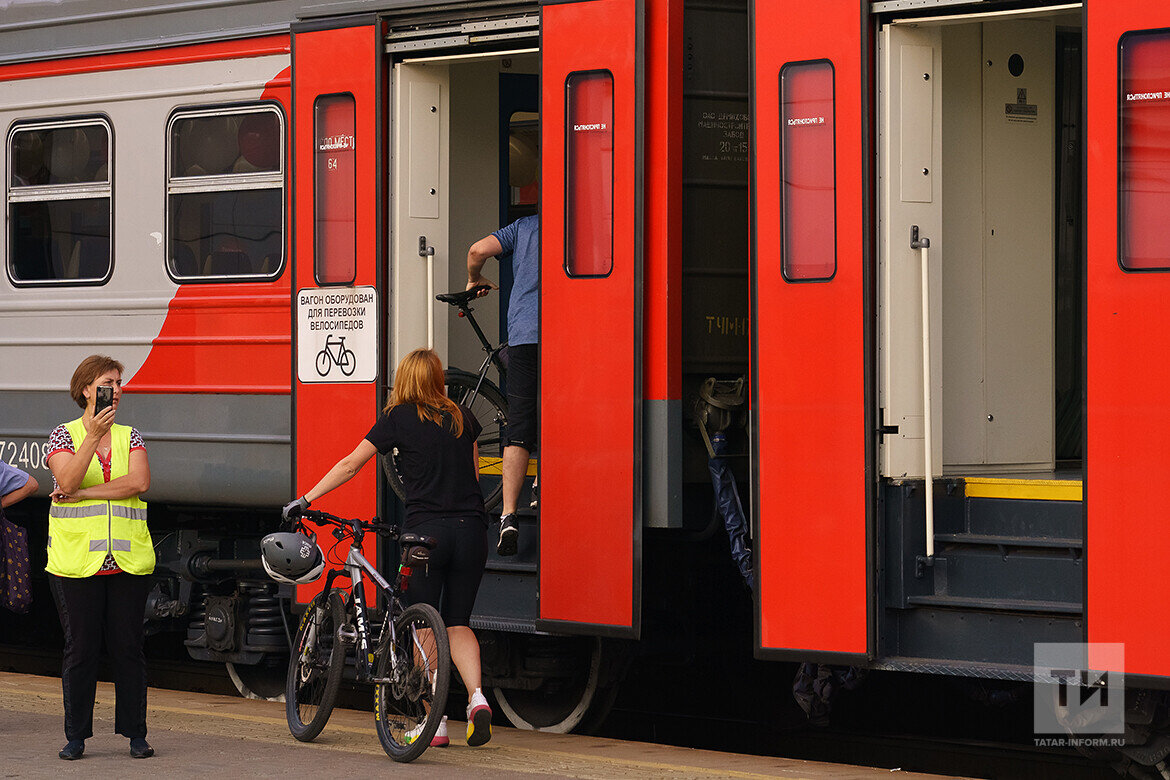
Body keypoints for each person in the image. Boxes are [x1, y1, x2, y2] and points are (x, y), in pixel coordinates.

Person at [282, 348, 493, 748]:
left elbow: (350, 465)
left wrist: (306, 499)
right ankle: (477, 699)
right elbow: (476, 470)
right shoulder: (462, 418)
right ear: (436, 380)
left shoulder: (398, 418)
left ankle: (434, 722)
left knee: (421, 624)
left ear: (405, 380)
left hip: (426, 536)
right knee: (458, 622)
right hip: (471, 533)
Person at [45, 355, 154, 761]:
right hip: (76, 563)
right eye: (109, 382)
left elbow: (138, 481)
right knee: (81, 650)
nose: (118, 389)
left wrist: (85, 494)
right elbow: (67, 478)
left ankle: (136, 734)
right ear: (87, 389)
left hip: (126, 561)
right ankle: (76, 737)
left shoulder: (132, 436)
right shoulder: (63, 435)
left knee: (129, 649)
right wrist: (92, 437)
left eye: (120, 382)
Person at [465, 214, 538, 556]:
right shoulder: (577, 222)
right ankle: (542, 484)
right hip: (564, 331)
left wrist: (474, 278)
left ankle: (509, 514)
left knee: (520, 423)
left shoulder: (524, 227)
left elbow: (477, 249)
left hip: (524, 336)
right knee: (559, 410)